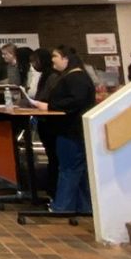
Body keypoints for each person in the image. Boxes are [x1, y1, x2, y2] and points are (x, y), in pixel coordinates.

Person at [30, 47, 94, 215]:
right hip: (69, 130)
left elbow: (75, 101)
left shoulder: (76, 78)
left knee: (69, 169)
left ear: (66, 59)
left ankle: (62, 207)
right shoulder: (73, 77)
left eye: (56, 57)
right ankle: (84, 206)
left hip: (71, 130)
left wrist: (50, 106)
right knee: (77, 170)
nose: (53, 61)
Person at [29, 48, 60, 196]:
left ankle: (54, 189)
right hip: (44, 120)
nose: (33, 64)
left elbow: (46, 96)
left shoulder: (52, 76)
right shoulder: (44, 76)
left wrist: (36, 102)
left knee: (54, 157)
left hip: (51, 121)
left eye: (35, 61)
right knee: (51, 155)